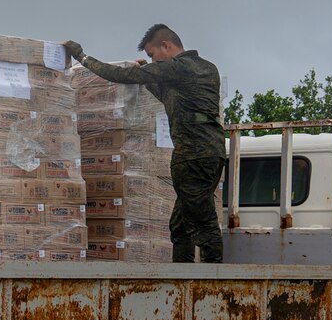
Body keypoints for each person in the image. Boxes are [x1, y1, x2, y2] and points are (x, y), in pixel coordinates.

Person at [64, 25, 225, 263]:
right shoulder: (207, 69)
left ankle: (215, 280)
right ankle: (183, 277)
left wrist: (82, 56)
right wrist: (148, 76)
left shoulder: (177, 68)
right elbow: (173, 97)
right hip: (213, 153)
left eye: (152, 55)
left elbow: (121, 76)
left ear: (166, 46)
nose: (152, 61)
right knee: (181, 225)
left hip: (193, 156)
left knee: (203, 224)